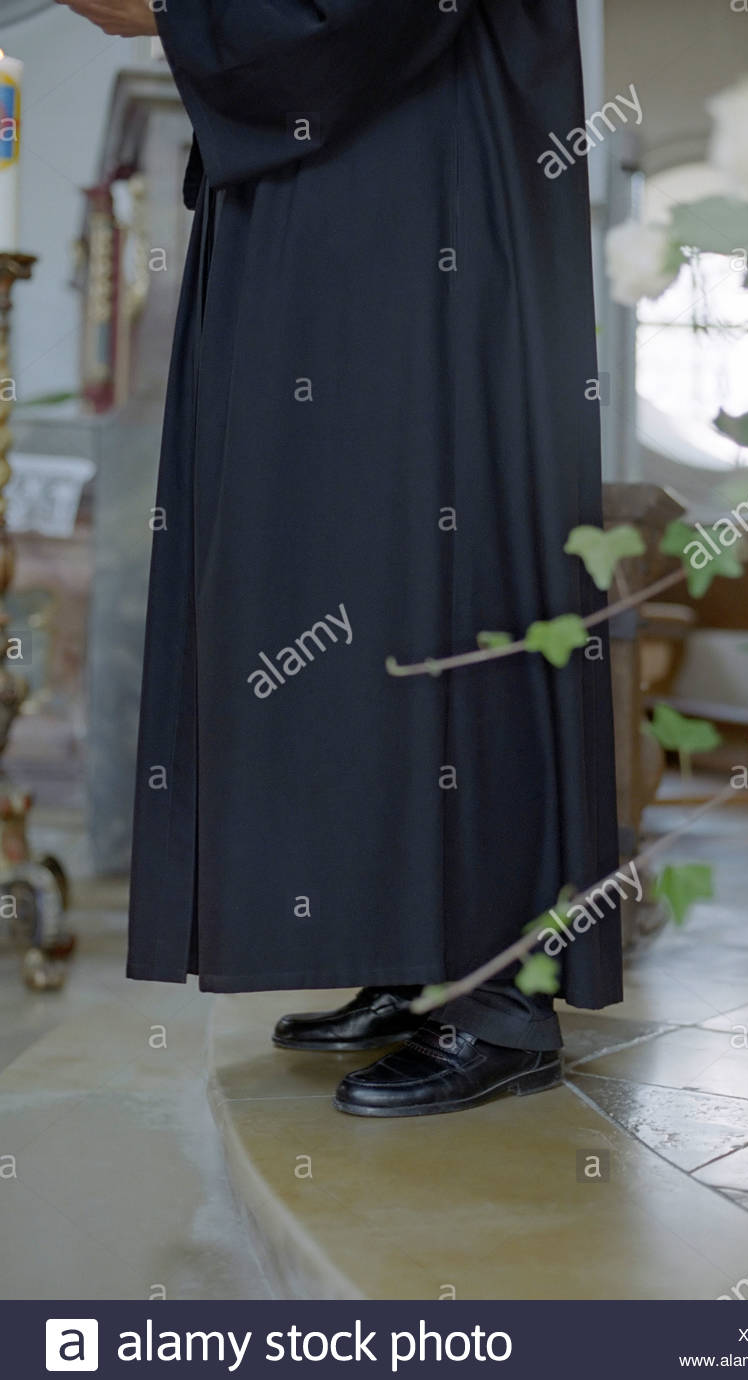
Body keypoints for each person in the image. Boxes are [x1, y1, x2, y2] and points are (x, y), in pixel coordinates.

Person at [61, 0, 623, 1117]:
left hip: (424, 200)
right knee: (341, 576)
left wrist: (180, 10)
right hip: (353, 187)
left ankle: (503, 994)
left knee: (434, 565)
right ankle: (413, 950)